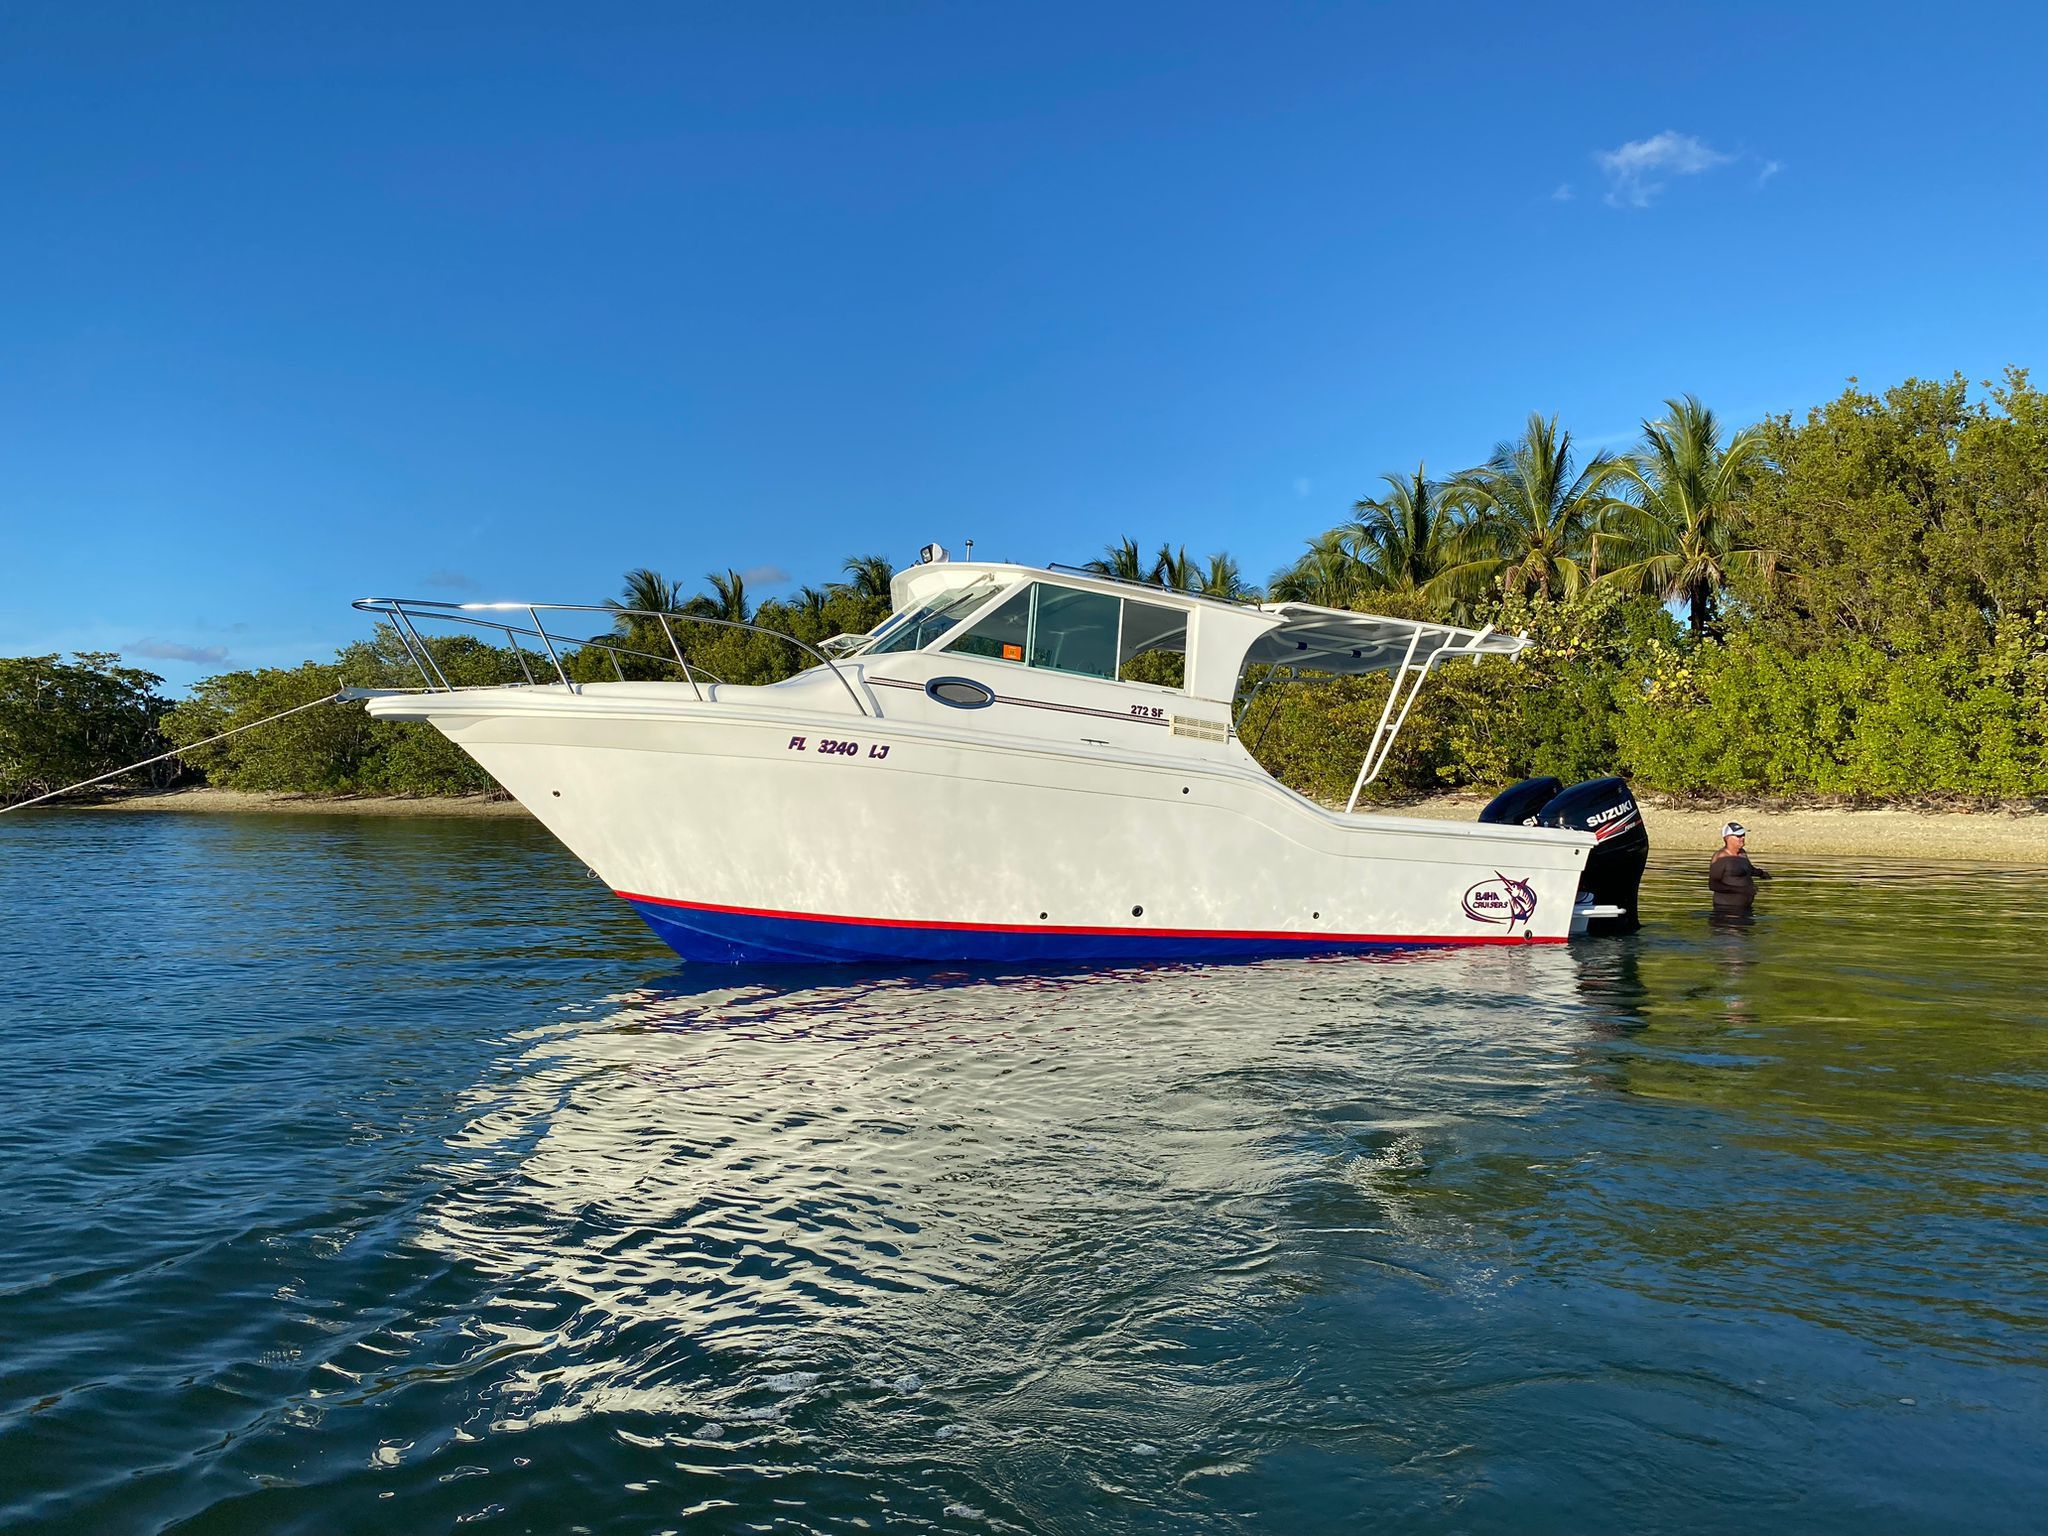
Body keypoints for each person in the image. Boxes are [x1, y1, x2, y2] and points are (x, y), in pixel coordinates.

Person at [1708, 821, 1772, 913]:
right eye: (1738, 836)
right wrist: (1742, 890)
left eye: (1743, 835)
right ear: (1727, 838)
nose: (1743, 838)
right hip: (1726, 911)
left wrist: (1761, 873)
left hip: (1746, 909)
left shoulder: (1742, 853)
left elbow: (1748, 869)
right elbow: (1713, 885)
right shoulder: (1721, 857)